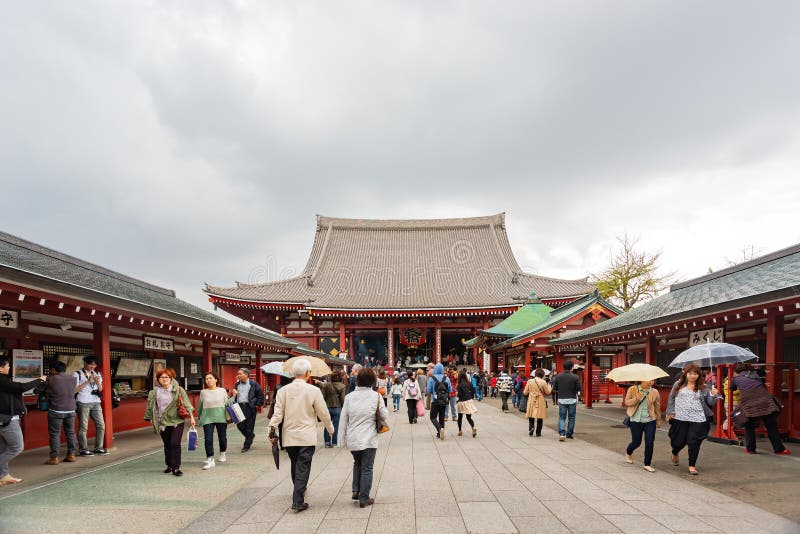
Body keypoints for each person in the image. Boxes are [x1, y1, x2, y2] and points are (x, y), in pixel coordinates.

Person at [268, 358, 334, 513]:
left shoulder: (283, 391)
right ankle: (298, 499)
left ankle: (299, 489)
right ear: (308, 373)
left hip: (289, 435)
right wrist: (330, 428)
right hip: (306, 435)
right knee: (303, 465)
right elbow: (323, 413)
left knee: (295, 463)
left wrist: (272, 430)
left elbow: (277, 414)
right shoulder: (314, 390)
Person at [338, 368, 388, 508]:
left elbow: (343, 419)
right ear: (372, 381)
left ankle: (356, 490)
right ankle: (364, 498)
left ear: (358, 381)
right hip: (369, 438)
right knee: (367, 467)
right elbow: (384, 416)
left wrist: (341, 438)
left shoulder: (349, 397)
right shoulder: (376, 396)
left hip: (353, 438)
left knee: (357, 463)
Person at [666, 364, 720, 475]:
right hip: (680, 418)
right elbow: (671, 398)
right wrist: (670, 412)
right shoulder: (678, 384)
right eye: (690, 373)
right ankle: (675, 452)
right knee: (678, 441)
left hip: (698, 419)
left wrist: (714, 395)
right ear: (685, 374)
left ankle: (692, 465)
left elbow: (710, 402)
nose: (692, 376)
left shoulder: (703, 387)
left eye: (695, 374)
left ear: (698, 375)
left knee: (694, 442)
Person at [0, 356, 45, 485]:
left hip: (4, 418)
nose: (9, 367)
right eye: (7, 365)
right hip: (7, 419)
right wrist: (39, 380)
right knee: (17, 447)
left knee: (3, 449)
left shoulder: (4, 380)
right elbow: (21, 387)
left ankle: (3, 476)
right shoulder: (1, 380)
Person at [144, 368, 195, 476]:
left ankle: (176, 467)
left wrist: (192, 417)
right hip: (162, 422)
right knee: (167, 444)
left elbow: (186, 403)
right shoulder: (153, 392)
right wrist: (150, 418)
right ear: (158, 379)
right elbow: (150, 407)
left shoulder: (178, 390)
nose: (164, 379)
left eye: (167, 377)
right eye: (161, 377)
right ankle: (169, 464)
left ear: (171, 379)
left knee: (174, 443)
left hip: (177, 420)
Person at [730, 364, 790, 455]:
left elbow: (732, 388)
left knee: (749, 426)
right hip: (765, 402)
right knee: (771, 426)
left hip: (749, 405)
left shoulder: (735, 379)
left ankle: (750, 449)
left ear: (736, 372)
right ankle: (779, 449)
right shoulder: (754, 375)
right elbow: (762, 386)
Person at [44, 360, 78, 464]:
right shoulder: (73, 378)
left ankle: (54, 458)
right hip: (71, 409)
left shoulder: (51, 378)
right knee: (70, 433)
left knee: (55, 434)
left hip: (56, 410)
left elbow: (47, 393)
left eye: (51, 370)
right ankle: (71, 455)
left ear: (53, 370)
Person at [623, 379, 661, 472]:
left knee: (650, 442)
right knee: (636, 442)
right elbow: (627, 402)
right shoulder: (632, 389)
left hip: (650, 420)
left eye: (653, 380)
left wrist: (658, 420)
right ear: (642, 380)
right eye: (649, 380)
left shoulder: (654, 391)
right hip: (635, 420)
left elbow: (657, 406)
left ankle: (647, 464)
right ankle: (628, 452)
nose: (651, 382)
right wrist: (636, 398)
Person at [73, 355, 107, 456]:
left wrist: (97, 382)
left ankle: (98, 447)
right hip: (83, 402)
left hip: (96, 402)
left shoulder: (97, 373)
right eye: (90, 365)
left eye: (94, 365)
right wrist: (88, 381)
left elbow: (100, 389)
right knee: (83, 426)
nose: (92, 367)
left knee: (101, 425)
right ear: (85, 363)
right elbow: (74, 390)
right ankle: (83, 449)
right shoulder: (77, 374)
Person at [197, 372, 230, 470]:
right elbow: (200, 405)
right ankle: (210, 459)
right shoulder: (203, 392)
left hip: (221, 417)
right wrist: (199, 417)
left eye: (210, 378)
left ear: (216, 380)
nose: (208, 380)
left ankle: (223, 453)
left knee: (222, 437)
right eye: (206, 379)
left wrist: (234, 396)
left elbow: (227, 403)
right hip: (207, 417)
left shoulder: (222, 390)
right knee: (208, 439)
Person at [231, 367, 264, 452]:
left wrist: (255, 404)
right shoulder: (237, 384)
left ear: (246, 375)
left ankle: (246, 445)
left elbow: (261, 396)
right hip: (239, 407)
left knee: (249, 426)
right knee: (240, 425)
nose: (238, 375)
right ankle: (250, 436)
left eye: (240, 374)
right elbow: (234, 395)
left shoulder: (253, 384)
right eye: (238, 374)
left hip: (250, 407)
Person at [552, 360, 581, 441]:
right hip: (572, 399)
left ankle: (562, 433)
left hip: (562, 399)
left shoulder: (558, 376)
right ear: (571, 368)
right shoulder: (575, 377)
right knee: (571, 417)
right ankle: (569, 434)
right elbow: (578, 388)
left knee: (562, 417)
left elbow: (554, 389)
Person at [318, 372, 346, 448]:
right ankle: (334, 442)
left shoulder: (326, 385)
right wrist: (344, 409)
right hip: (337, 408)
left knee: (327, 425)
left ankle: (327, 442)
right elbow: (343, 399)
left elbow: (322, 397)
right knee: (336, 426)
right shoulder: (342, 386)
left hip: (327, 408)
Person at [427, 363, 453, 440]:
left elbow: (428, 390)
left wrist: (434, 392)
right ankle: (441, 432)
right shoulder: (446, 378)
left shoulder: (432, 378)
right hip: (444, 400)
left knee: (433, 417)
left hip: (434, 400)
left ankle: (439, 429)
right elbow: (450, 390)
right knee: (442, 417)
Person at [524, 369, 552, 437]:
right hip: (540, 399)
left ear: (535, 374)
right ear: (542, 375)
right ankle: (538, 432)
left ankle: (531, 427)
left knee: (531, 414)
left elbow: (525, 392)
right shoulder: (543, 382)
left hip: (531, 399)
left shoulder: (529, 381)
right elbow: (547, 392)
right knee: (540, 415)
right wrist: (549, 385)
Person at [455, 370, 477, 437]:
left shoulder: (459, 385)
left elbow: (460, 395)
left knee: (460, 417)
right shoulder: (470, 383)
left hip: (462, 402)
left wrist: (457, 395)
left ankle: (460, 431)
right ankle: (473, 427)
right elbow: (473, 392)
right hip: (469, 401)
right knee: (469, 417)